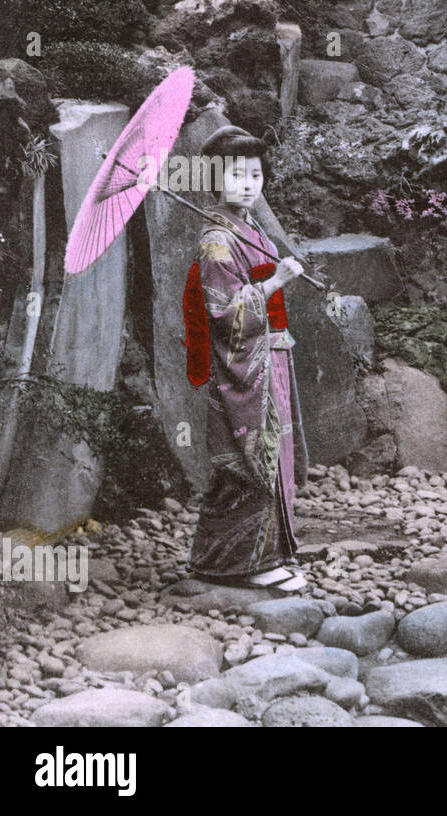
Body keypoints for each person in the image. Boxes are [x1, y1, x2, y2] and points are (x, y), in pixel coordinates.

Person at [185, 125, 309, 592]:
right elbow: (223, 311)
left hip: (270, 352)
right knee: (252, 455)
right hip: (245, 362)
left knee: (274, 454)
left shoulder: (250, 227)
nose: (247, 184)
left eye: (255, 175)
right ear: (214, 180)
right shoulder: (217, 240)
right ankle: (248, 564)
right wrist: (275, 283)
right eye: (236, 175)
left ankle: (252, 556)